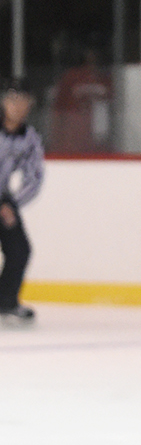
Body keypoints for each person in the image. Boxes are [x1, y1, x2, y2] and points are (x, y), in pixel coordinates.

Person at [0, 79, 45, 327]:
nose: (19, 106)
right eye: (14, 100)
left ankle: (5, 301)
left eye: (24, 101)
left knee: (19, 250)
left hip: (3, 198)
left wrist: (12, 204)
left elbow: (35, 177)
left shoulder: (29, 138)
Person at [50, 46, 113, 154]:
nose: (92, 56)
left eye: (95, 54)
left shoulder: (106, 80)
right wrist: (56, 143)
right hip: (73, 144)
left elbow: (114, 114)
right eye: (89, 53)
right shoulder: (71, 77)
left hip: (99, 145)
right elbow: (58, 112)